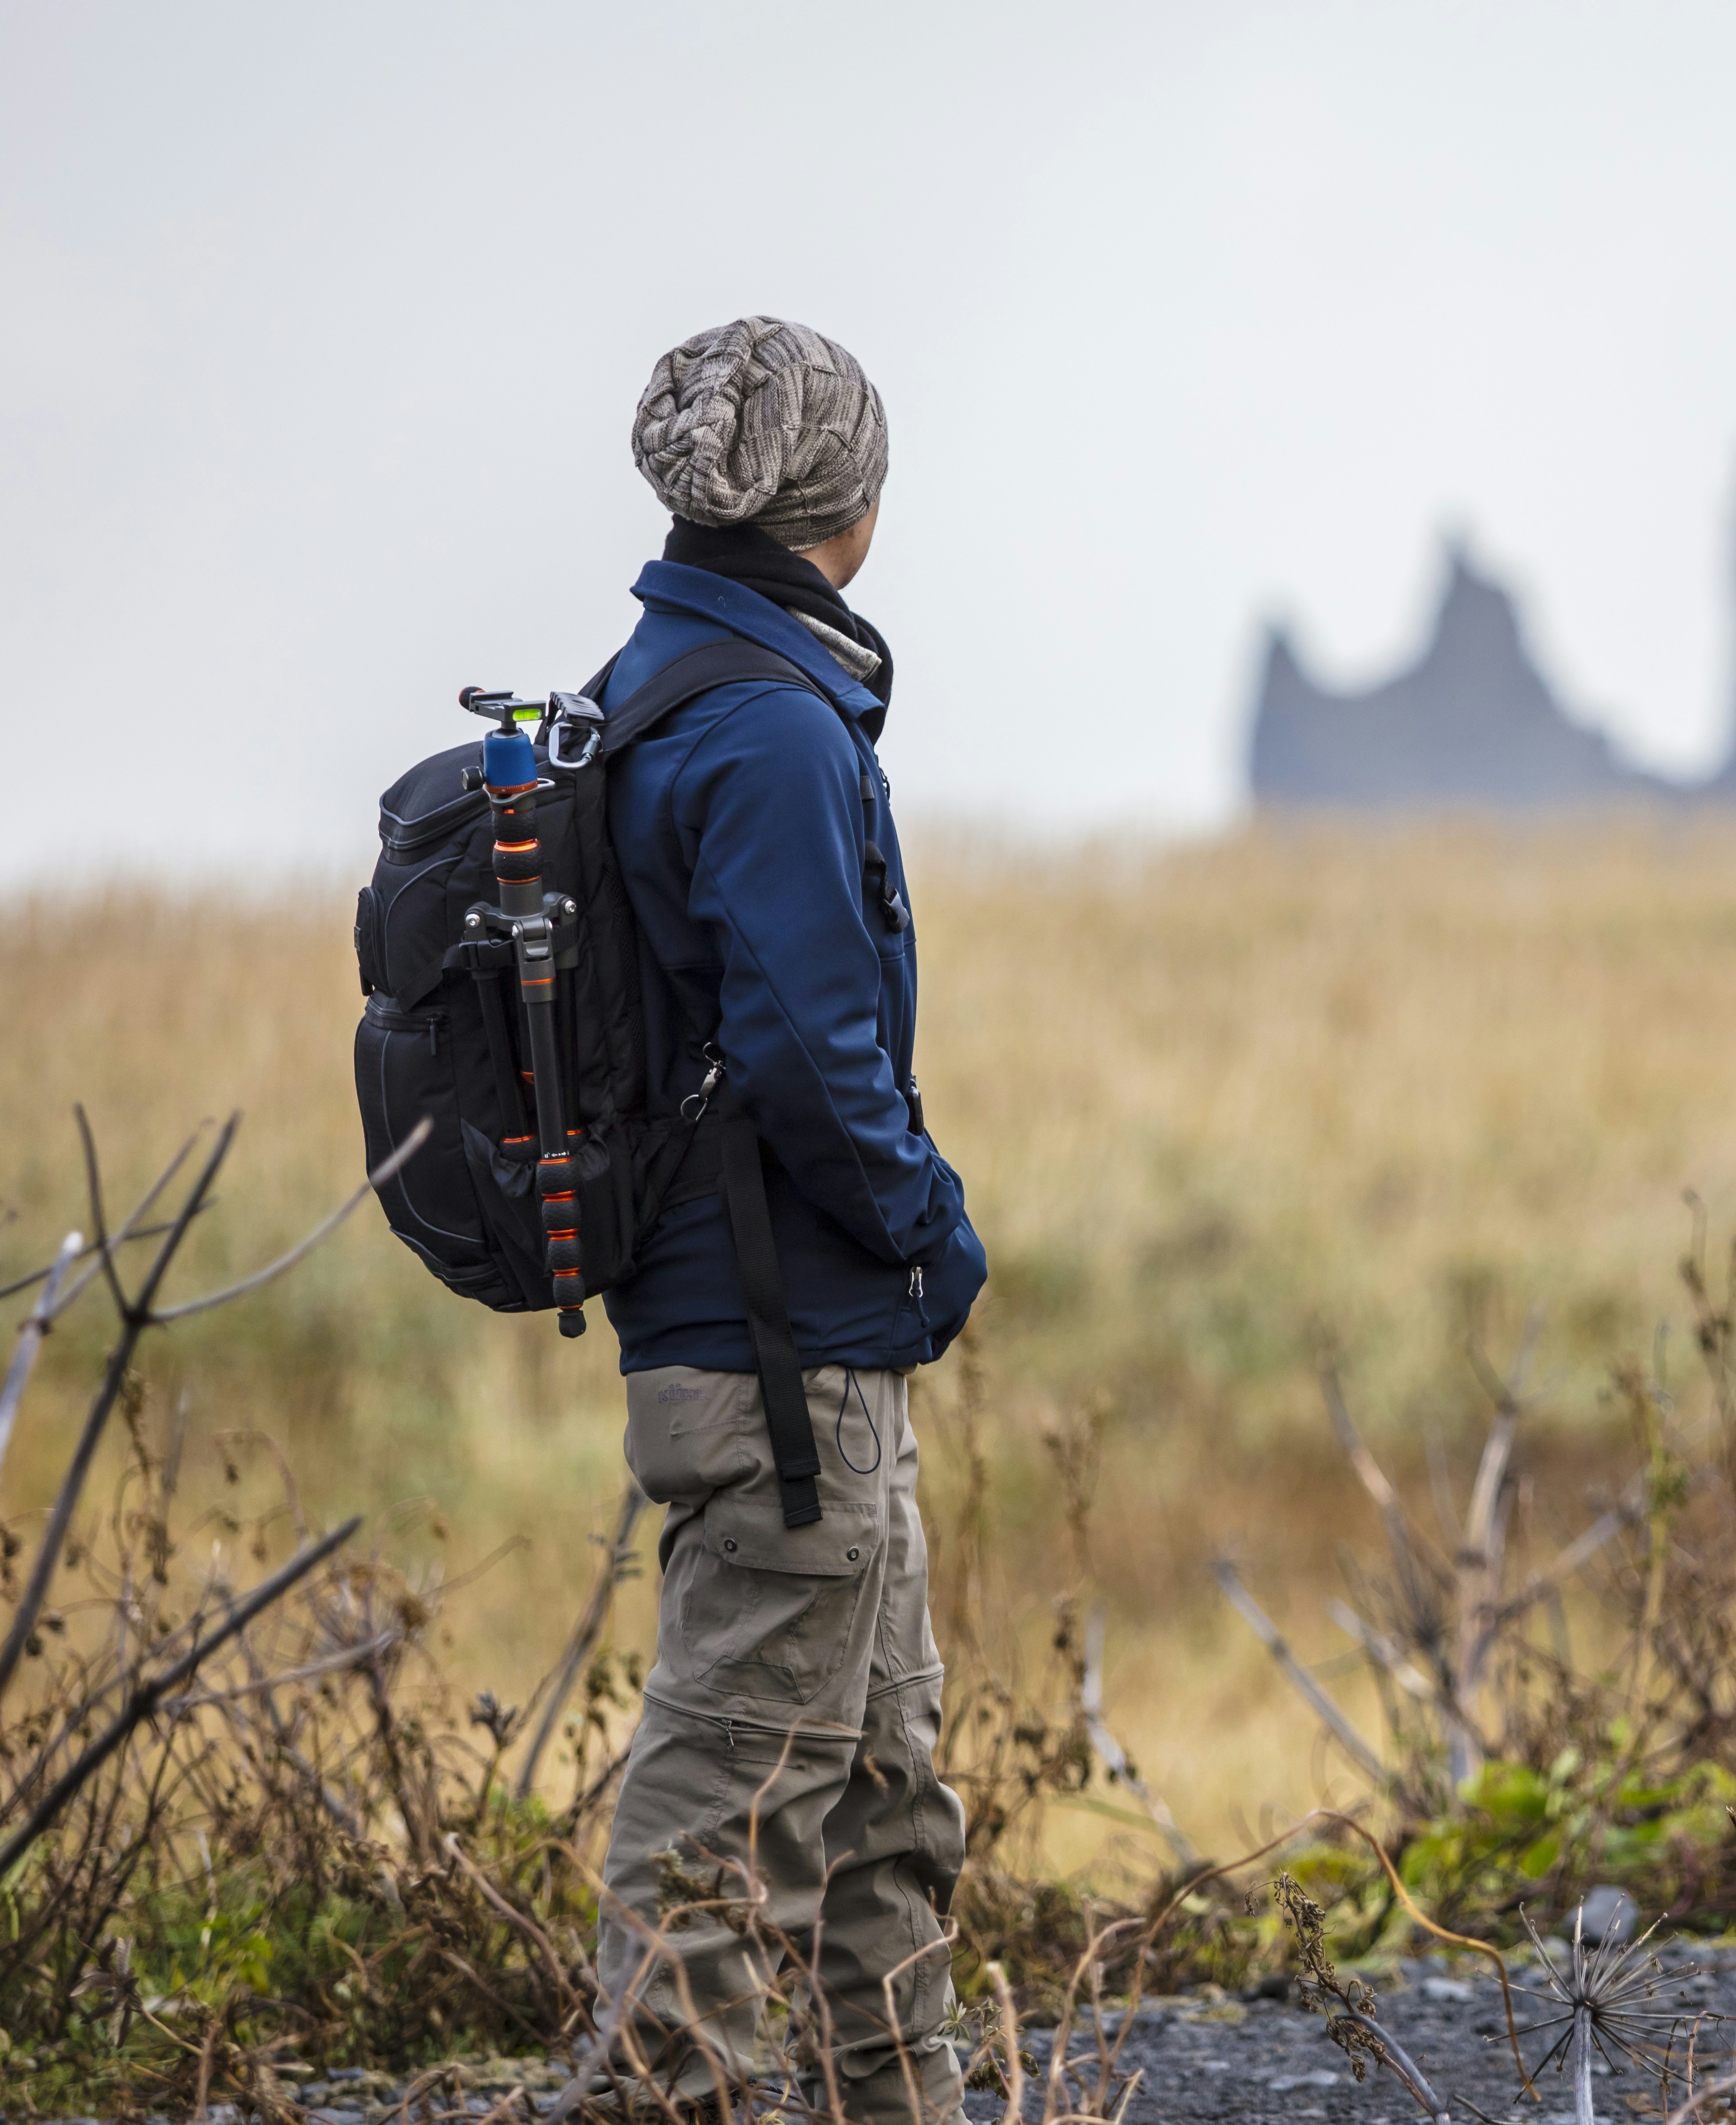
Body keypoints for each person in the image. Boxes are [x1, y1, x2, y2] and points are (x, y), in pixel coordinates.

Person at [586, 316, 986, 2122]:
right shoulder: (766, 731)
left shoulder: (674, 680)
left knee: (883, 1783)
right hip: (781, 1358)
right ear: (849, 504)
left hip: (783, 1344)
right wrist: (931, 1230)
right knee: (736, 1805)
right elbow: (816, 1061)